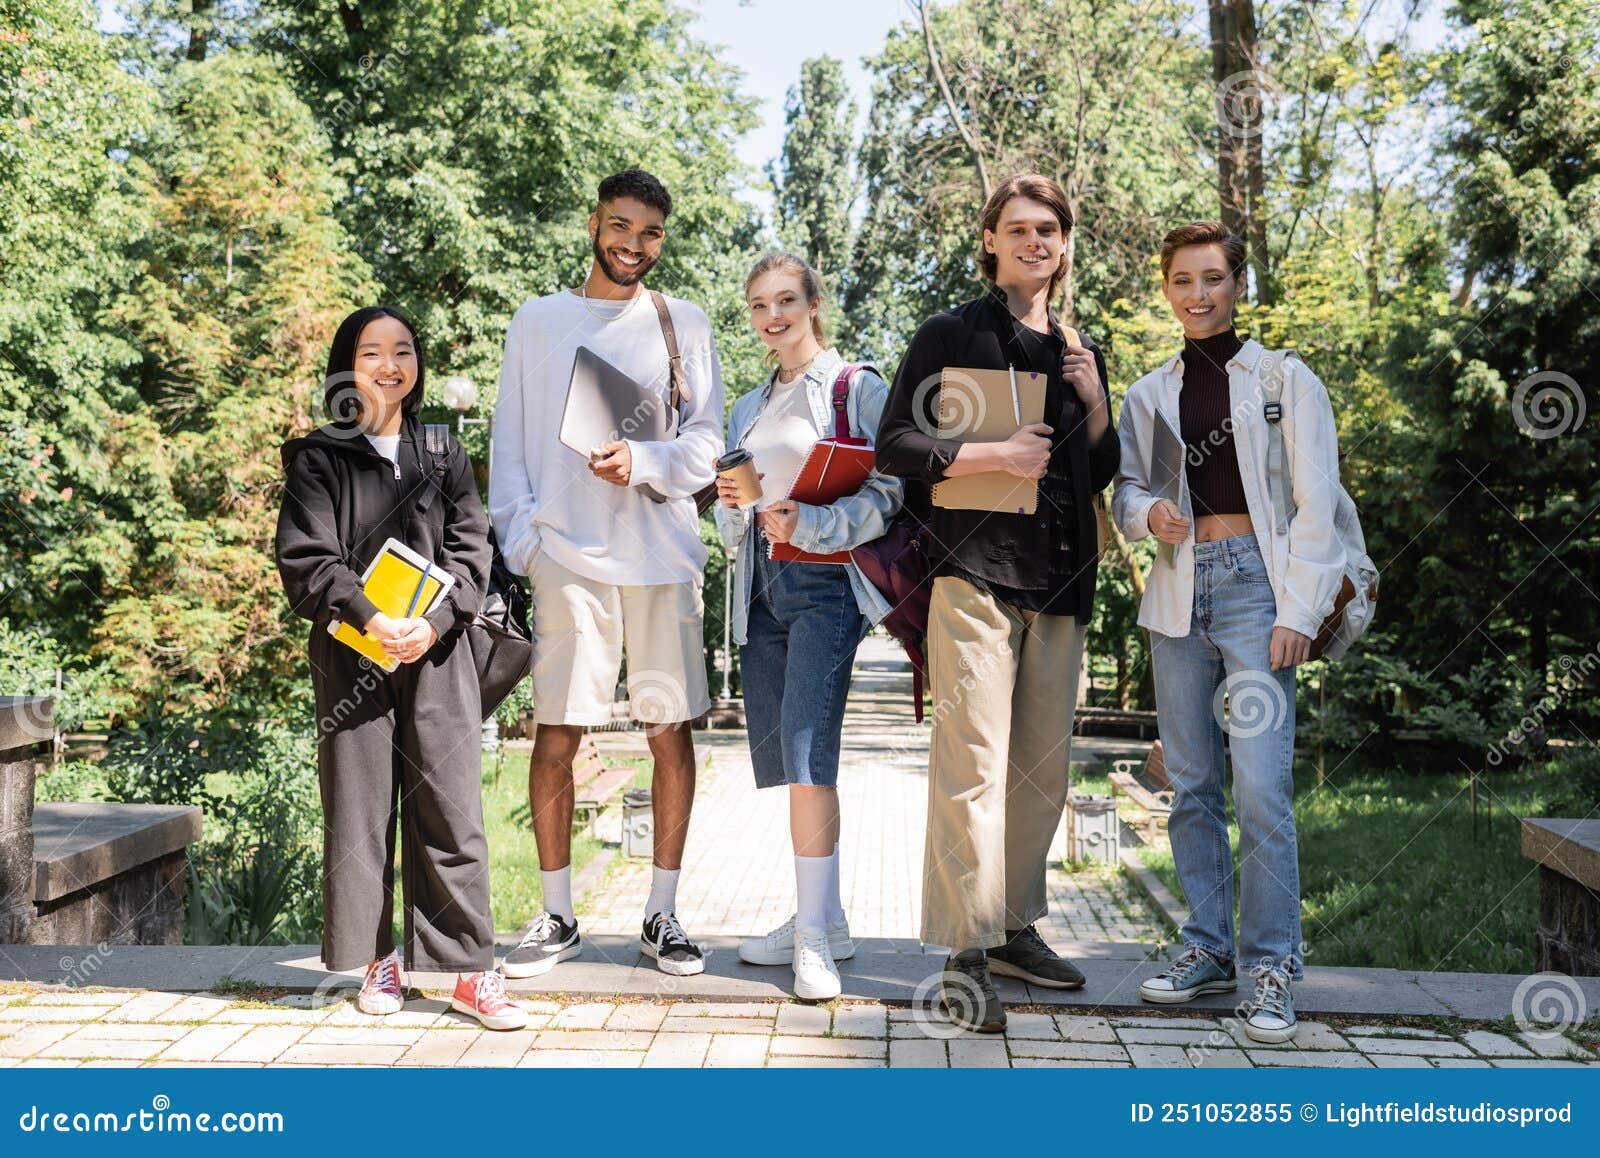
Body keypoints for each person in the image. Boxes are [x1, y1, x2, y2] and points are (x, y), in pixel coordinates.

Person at [875, 174, 1121, 1033]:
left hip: (1061, 580)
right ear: (990, 240)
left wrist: (1092, 395)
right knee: (972, 767)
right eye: (1016, 228)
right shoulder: (952, 332)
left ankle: (1017, 927)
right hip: (972, 572)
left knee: (1039, 776)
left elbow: (1103, 466)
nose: (1034, 241)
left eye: (1048, 228)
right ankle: (962, 952)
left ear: (1063, 242)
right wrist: (991, 455)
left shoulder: (1081, 347)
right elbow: (897, 445)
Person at [1112, 222, 1345, 1043]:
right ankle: (1208, 950)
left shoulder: (1284, 380)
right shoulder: (1149, 393)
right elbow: (1125, 492)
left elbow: (1318, 503)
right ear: (1167, 289)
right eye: (1182, 281)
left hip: (1258, 590)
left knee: (1260, 789)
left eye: (1211, 279)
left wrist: (1300, 613)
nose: (1197, 295)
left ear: (1237, 283)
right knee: (1193, 786)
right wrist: (1150, 514)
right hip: (1179, 594)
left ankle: (1273, 966)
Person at [489, 169, 724, 979]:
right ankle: (556, 914)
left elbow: (705, 446)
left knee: (670, 730)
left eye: (650, 232)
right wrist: (527, 544)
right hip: (567, 558)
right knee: (557, 730)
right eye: (621, 226)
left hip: (660, 557)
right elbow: (509, 443)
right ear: (595, 223)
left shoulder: (681, 323)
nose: (634, 244)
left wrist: (645, 460)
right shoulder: (539, 319)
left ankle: (663, 916)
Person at [275, 306, 526, 1031]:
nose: (390, 364)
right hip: (353, 651)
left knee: (452, 809)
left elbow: (473, 548)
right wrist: (370, 617)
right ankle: (376, 959)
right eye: (372, 351)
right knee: (359, 812)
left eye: (403, 351)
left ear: (417, 365)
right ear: (347, 366)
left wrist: (433, 620)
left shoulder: (443, 450)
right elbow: (306, 559)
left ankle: (470, 972)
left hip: (436, 651)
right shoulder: (320, 457)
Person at [714, 253, 904, 1000]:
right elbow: (733, 512)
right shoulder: (746, 407)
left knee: (808, 752)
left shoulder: (858, 388)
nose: (773, 317)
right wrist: (735, 504)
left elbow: (895, 490)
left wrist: (818, 520)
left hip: (827, 585)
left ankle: (815, 938)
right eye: (759, 304)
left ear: (814, 302)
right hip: (762, 587)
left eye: (787, 300)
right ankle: (822, 915)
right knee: (785, 759)